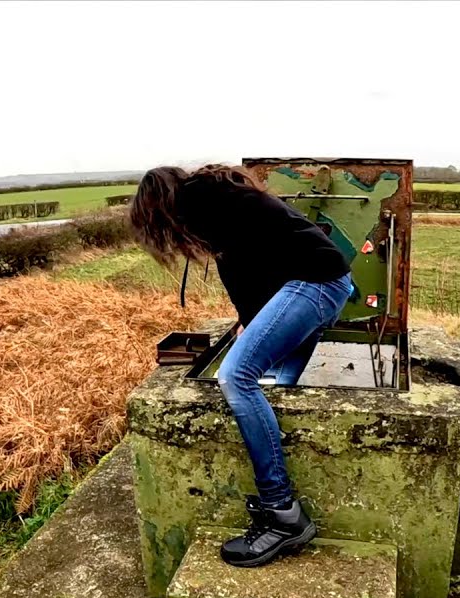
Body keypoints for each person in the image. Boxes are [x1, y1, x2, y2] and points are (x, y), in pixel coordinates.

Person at [129, 164, 353, 568]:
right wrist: (251, 321)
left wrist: (250, 321)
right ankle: (285, 502)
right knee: (277, 383)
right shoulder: (219, 197)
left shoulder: (201, 202)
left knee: (236, 377)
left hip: (315, 283)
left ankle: (281, 512)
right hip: (327, 282)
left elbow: (239, 270)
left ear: (160, 207)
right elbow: (253, 262)